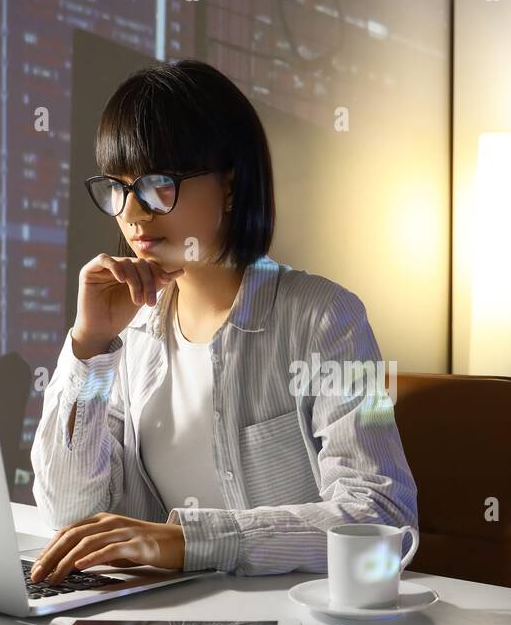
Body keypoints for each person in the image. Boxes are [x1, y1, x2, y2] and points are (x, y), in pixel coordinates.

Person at [29, 59, 417, 582]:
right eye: (118, 189)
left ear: (229, 185)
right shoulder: (133, 335)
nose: (134, 216)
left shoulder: (325, 318)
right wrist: (91, 344)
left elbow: (383, 521)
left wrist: (192, 541)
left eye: (157, 185)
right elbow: (72, 516)